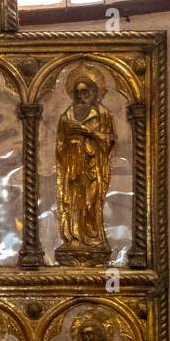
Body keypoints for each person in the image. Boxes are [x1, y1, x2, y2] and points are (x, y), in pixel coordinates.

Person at [55, 63, 117, 265]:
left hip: (94, 166)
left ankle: (93, 239)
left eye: (85, 91)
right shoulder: (67, 116)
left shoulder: (102, 114)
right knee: (73, 202)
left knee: (91, 202)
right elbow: (60, 144)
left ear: (93, 93)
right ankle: (74, 238)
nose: (81, 95)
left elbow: (109, 140)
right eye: (77, 92)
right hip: (72, 166)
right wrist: (69, 149)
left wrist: (87, 133)